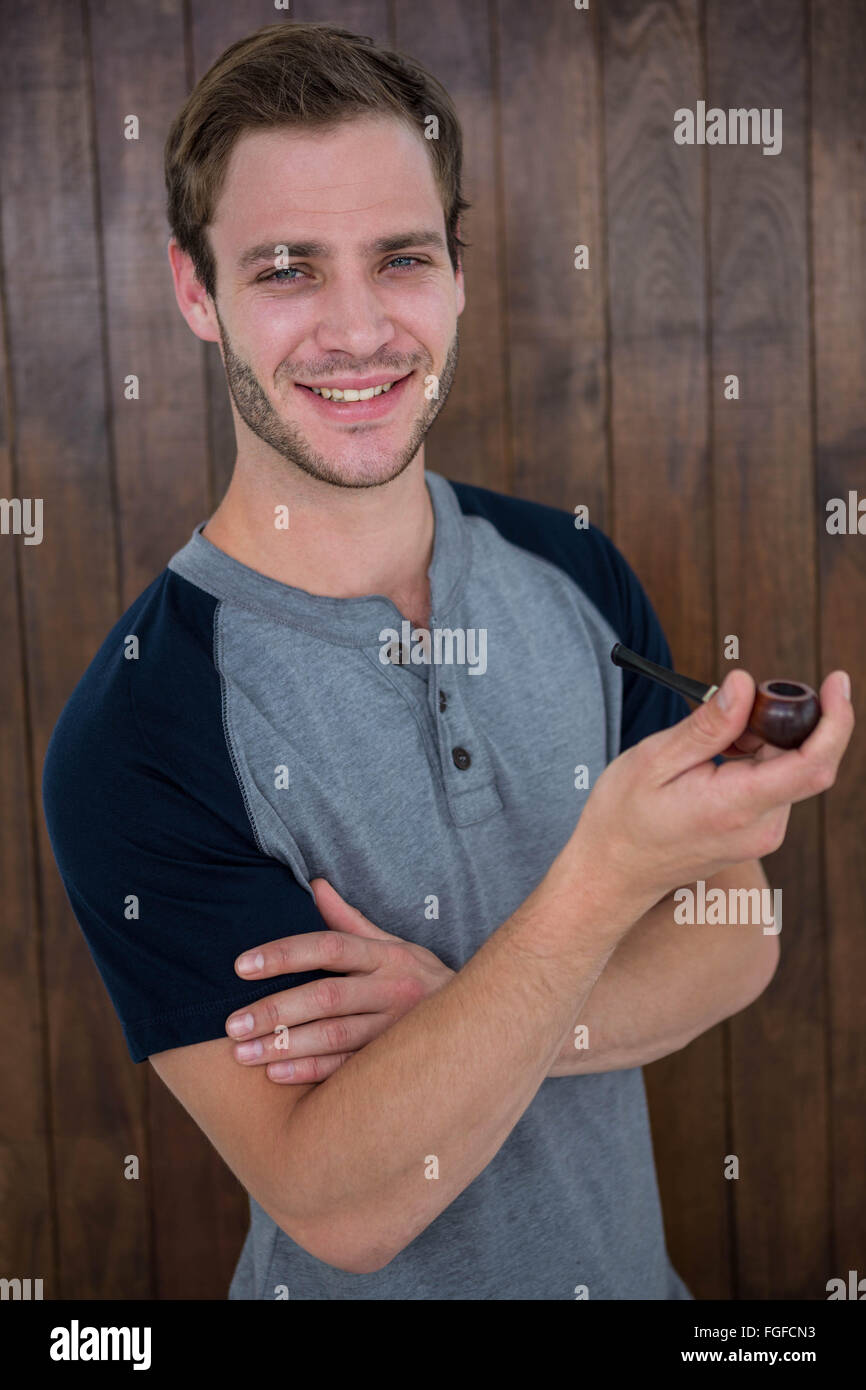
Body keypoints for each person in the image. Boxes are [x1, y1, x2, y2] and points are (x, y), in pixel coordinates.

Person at [42, 21, 853, 1301]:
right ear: (196, 293)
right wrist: (599, 891)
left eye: (401, 259)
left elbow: (734, 932)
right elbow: (341, 1198)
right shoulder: (139, 725)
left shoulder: (573, 573)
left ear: (457, 272)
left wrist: (455, 1007)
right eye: (286, 270)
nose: (358, 331)